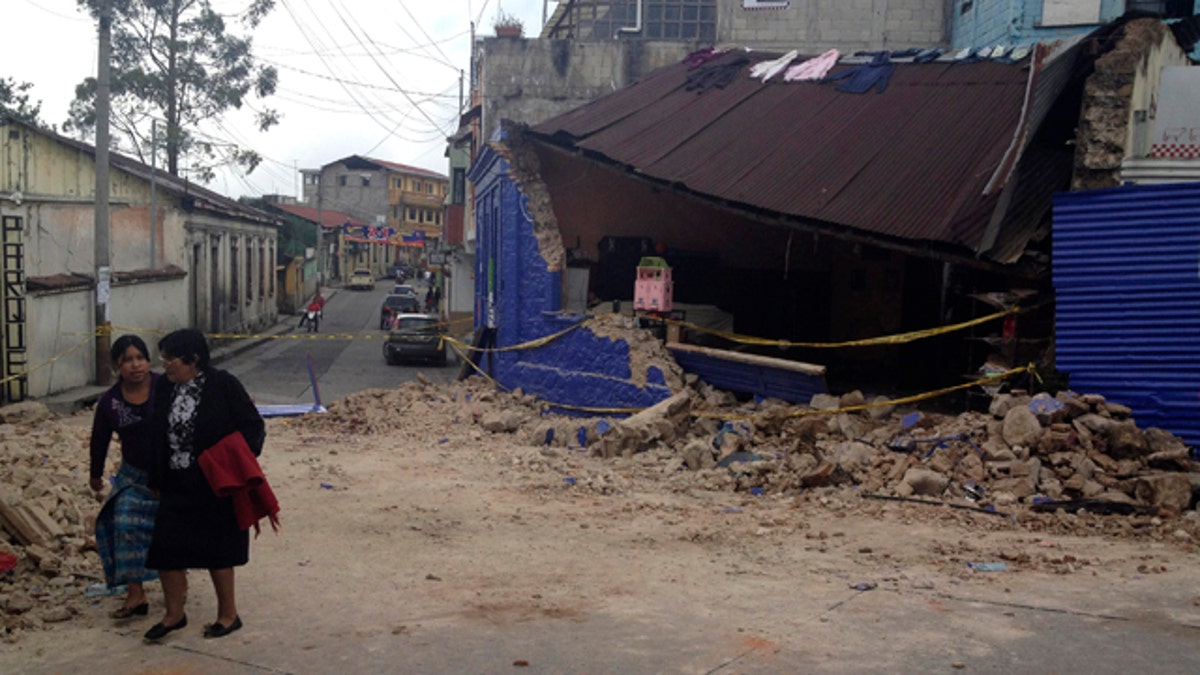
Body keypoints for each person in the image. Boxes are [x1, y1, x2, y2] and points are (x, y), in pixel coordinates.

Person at [143, 329, 272, 642]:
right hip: (176, 480)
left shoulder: (222, 385)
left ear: (193, 359)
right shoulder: (164, 390)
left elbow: (253, 427)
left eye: (170, 359)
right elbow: (157, 434)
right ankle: (174, 614)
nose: (165, 365)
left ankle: (228, 615)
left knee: (219, 548)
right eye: (163, 359)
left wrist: (231, 462)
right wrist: (156, 476)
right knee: (165, 548)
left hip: (215, 481)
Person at [89, 334, 161, 620]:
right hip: (134, 477)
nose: (135, 365)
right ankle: (135, 594)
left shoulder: (164, 388)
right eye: (127, 360)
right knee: (123, 522)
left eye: (140, 358)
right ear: (117, 365)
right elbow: (99, 439)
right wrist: (95, 474)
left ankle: (176, 591)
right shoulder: (110, 403)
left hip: (170, 475)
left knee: (171, 530)